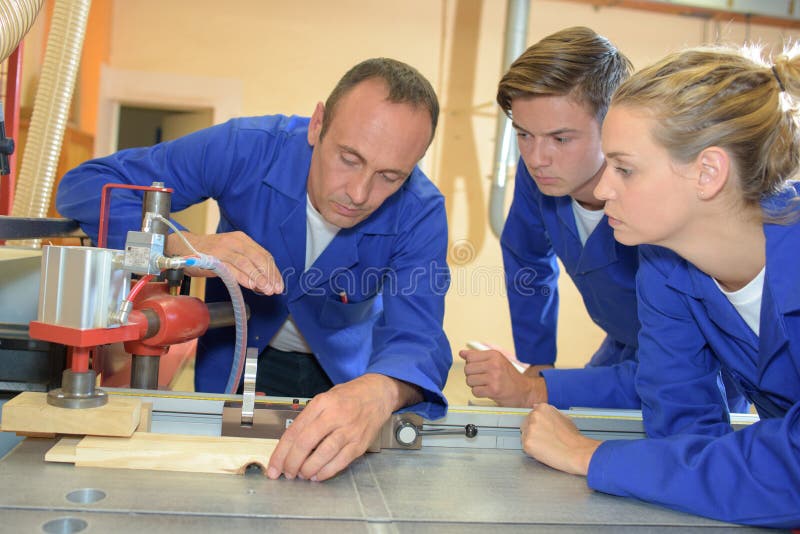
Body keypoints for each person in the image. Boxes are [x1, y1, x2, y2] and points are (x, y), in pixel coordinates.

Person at [56, 58, 452, 482]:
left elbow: (419, 334)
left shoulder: (420, 210)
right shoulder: (247, 148)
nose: (359, 194)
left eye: (389, 177)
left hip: (347, 379)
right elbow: (84, 185)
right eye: (349, 158)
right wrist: (182, 245)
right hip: (237, 361)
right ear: (318, 125)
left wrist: (381, 392)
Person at [521, 44, 800, 527]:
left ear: (708, 172)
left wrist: (592, 457)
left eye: (625, 169)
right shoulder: (664, 265)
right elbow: (681, 429)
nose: (603, 188)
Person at [461, 27, 642, 409]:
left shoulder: (654, 200)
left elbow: (675, 374)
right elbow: (526, 259)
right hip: (625, 344)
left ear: (613, 126)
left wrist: (533, 391)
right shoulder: (538, 178)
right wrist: (537, 361)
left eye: (560, 139)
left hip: (696, 363)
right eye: (524, 134)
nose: (536, 158)